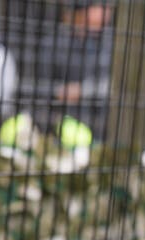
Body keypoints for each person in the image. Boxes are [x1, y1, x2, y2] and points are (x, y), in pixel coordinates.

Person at [50, 1, 114, 141]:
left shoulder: (109, 43)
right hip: (61, 124)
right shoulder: (56, 42)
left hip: (99, 125)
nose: (106, 14)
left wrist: (82, 90)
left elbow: (114, 85)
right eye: (101, 8)